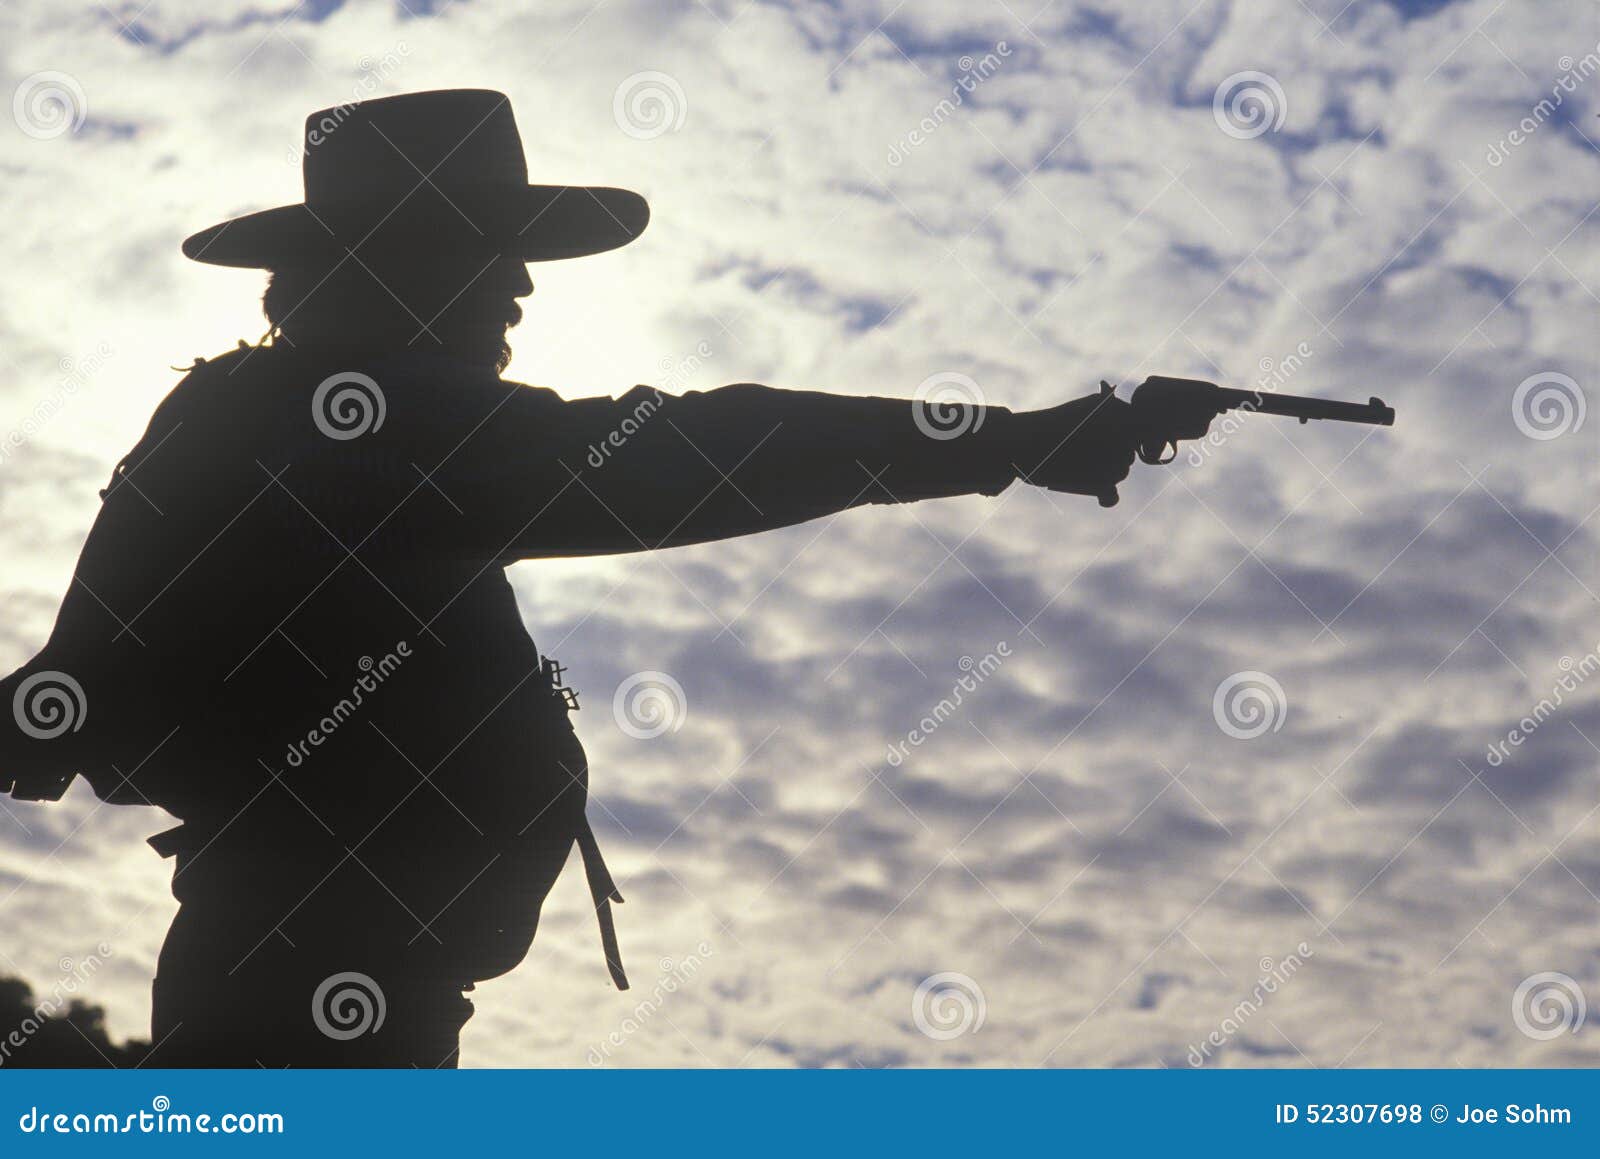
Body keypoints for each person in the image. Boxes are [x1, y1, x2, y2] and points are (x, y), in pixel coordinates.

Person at [0, 89, 1138, 1066]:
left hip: (327, 977)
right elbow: (678, 456)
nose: (521, 292)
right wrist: (1007, 440)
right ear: (403, 263)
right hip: (314, 989)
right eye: (490, 255)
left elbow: (77, 689)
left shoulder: (271, 422)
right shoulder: (345, 427)